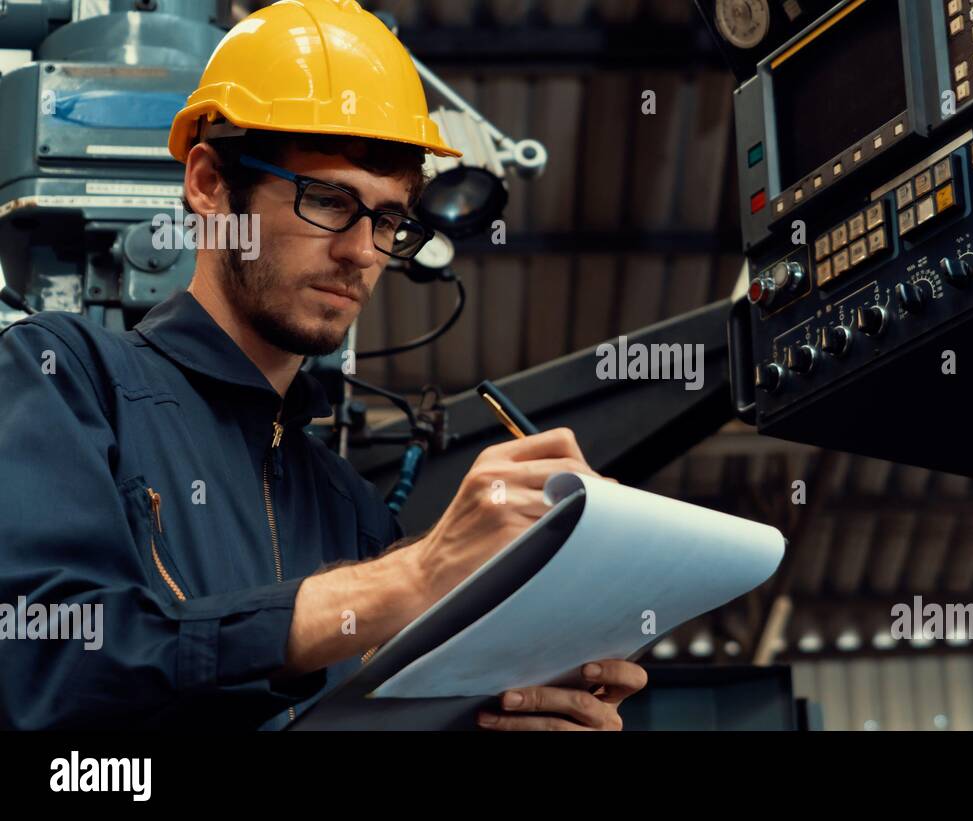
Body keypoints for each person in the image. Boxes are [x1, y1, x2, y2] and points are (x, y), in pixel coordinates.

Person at [0, 0, 645, 731]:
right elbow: (42, 666)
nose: (364, 252)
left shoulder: (352, 512)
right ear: (210, 185)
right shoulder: (66, 377)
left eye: (390, 219)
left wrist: (505, 711)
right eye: (329, 200)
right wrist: (409, 578)